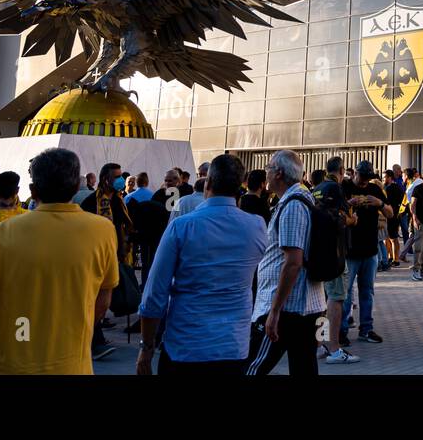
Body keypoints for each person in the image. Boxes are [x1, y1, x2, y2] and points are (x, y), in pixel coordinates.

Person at [0, 148, 120, 374]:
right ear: (75, 187)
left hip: (4, 367)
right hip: (71, 367)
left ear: (33, 190)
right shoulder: (103, 230)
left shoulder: (4, 231)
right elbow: (103, 300)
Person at [134, 155, 265, 375]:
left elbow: (154, 294)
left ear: (208, 183)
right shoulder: (257, 227)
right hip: (233, 347)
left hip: (186, 346)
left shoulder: (181, 227)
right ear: (239, 186)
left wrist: (146, 347)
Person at [247, 150, 325, 376]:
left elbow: (293, 262)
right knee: (304, 368)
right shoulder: (303, 198)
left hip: (287, 308)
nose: (266, 173)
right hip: (306, 306)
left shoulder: (293, 205)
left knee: (251, 368)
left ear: (279, 173)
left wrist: (274, 311)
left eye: (269, 168)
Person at [310, 156, 354, 362]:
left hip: (319, 251)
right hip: (334, 253)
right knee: (336, 299)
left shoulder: (317, 188)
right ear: (341, 170)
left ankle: (319, 345)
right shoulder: (336, 188)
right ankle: (334, 348)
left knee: (322, 302)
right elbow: (344, 218)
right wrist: (354, 217)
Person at [340, 160, 386, 345]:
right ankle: (341, 330)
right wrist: (349, 203)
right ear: (354, 173)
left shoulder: (375, 189)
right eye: (362, 177)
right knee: (345, 292)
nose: (364, 182)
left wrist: (379, 203)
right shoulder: (344, 186)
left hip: (370, 250)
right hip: (350, 251)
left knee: (367, 291)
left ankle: (366, 329)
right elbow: (334, 210)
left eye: (368, 179)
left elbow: (390, 213)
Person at [81, 163, 134, 264]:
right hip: (99, 257)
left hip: (120, 256)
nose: (121, 180)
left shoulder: (119, 199)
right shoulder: (91, 202)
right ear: (105, 179)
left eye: (121, 176)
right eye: (117, 177)